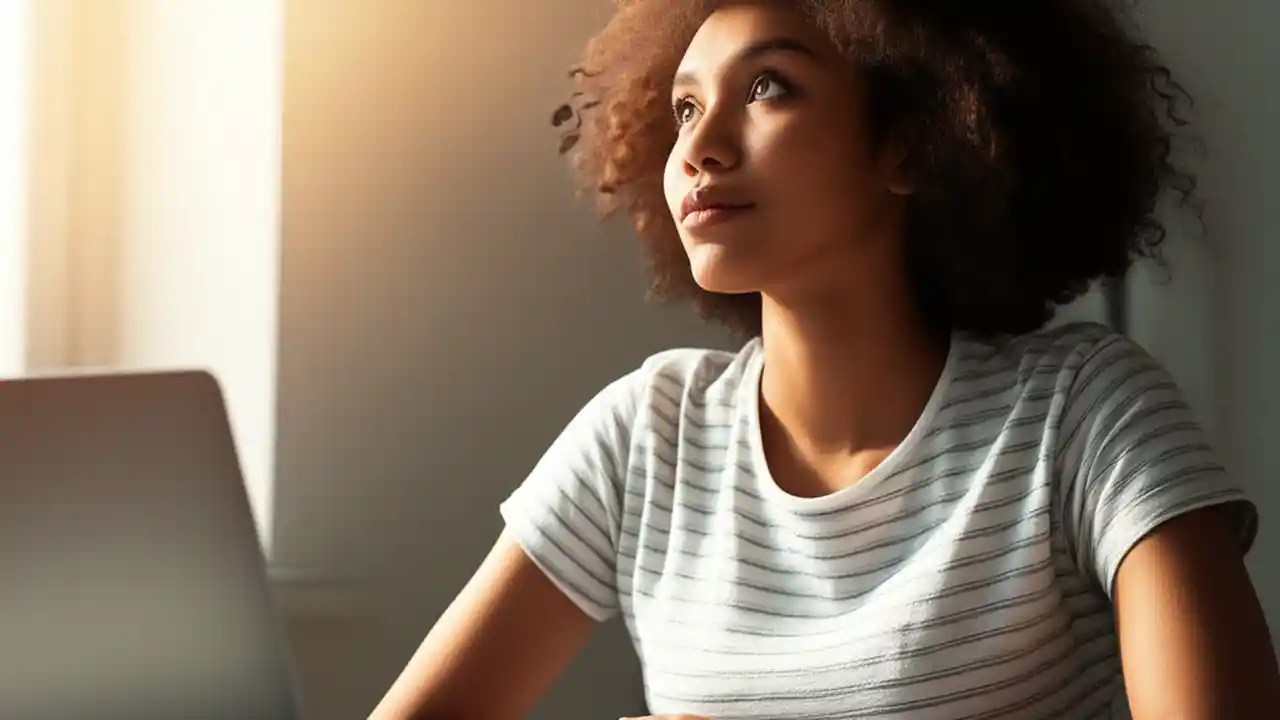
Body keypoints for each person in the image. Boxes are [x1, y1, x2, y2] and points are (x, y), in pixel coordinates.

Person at [371, 1, 1280, 717]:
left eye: (768, 87)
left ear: (913, 141)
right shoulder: (646, 435)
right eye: (685, 106)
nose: (698, 148)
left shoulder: (1084, 412)